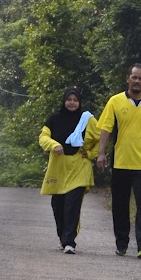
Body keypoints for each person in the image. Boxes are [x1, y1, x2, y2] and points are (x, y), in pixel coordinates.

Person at [96, 62, 141, 258]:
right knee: (120, 205)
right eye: (134, 77)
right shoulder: (115, 101)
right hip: (121, 162)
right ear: (128, 79)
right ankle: (122, 243)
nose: (137, 81)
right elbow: (106, 128)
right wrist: (101, 153)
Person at [39, 86, 98, 253]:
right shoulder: (54, 119)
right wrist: (54, 145)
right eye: (69, 99)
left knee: (72, 204)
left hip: (79, 166)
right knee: (57, 204)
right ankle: (62, 237)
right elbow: (43, 137)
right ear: (64, 101)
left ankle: (70, 241)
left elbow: (101, 138)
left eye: (75, 100)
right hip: (59, 167)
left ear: (79, 102)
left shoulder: (88, 120)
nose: (72, 103)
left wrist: (91, 153)